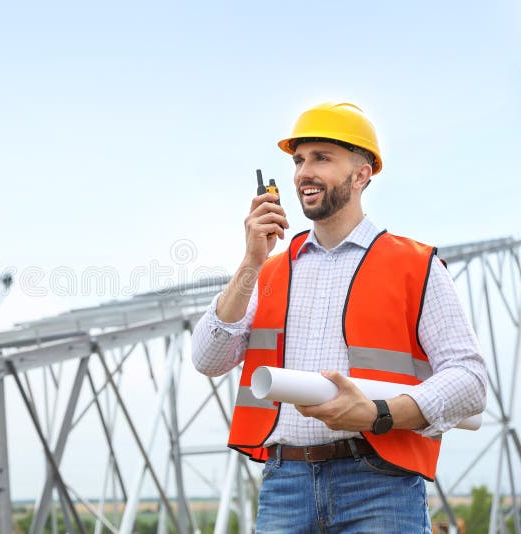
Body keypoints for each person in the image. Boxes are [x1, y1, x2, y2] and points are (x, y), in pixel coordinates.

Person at [191, 102, 487, 533]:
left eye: (321, 158)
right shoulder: (269, 270)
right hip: (284, 485)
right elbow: (207, 359)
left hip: (380, 484)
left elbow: (470, 381)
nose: (303, 173)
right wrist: (250, 262)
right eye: (298, 160)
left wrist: (378, 413)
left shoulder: (415, 265)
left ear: (362, 174)